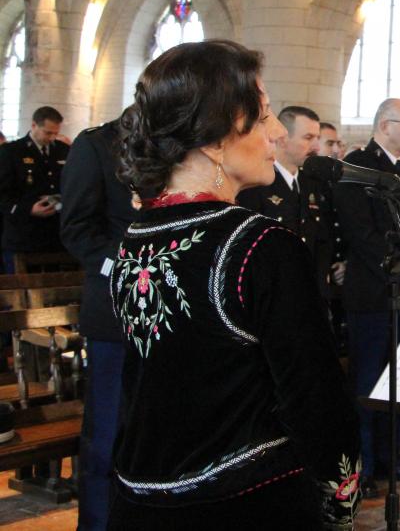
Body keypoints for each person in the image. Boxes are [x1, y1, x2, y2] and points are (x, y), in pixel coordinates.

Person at [108, 39, 360, 529]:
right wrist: (339, 503)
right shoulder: (261, 244)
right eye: (263, 117)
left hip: (141, 499)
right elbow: (317, 400)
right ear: (214, 139)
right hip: (244, 503)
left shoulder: (136, 237)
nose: (277, 135)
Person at [335, 99, 400, 500]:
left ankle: (390, 458)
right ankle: (360, 465)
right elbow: (361, 233)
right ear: (385, 125)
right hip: (374, 293)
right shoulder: (358, 166)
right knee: (368, 383)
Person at [60, 119, 136, 529]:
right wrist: (125, 267)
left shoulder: (177, 141)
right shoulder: (97, 146)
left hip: (170, 319)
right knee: (105, 440)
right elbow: (76, 229)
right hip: (113, 315)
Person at [237, 106, 343, 302]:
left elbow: (322, 240)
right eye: (308, 138)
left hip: (310, 294)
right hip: (272, 294)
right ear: (283, 139)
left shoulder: (313, 184)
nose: (316, 147)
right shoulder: (257, 184)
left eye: (317, 138)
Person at [0, 106, 70, 271]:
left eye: (55, 133)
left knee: (53, 289)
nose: (52, 138)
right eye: (47, 133)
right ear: (33, 126)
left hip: (54, 236)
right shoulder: (11, 152)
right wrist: (28, 209)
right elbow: (3, 194)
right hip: (24, 235)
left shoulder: (64, 151)